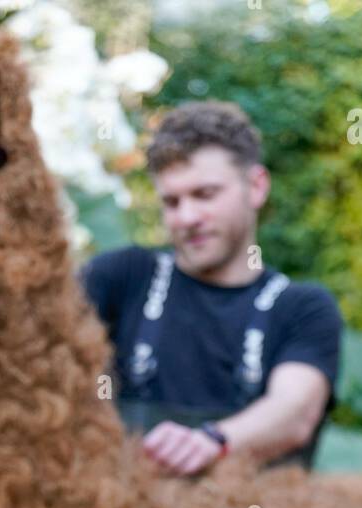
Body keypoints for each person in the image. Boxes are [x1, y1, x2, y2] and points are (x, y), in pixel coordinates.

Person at [79, 100, 342, 476]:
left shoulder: (302, 307)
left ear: (255, 186)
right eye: (172, 202)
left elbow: (294, 412)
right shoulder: (123, 278)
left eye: (205, 195)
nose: (187, 218)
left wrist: (213, 441)